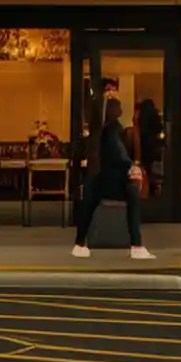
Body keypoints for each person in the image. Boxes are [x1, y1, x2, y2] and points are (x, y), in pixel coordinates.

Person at [72, 97, 155, 260]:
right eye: (118, 107)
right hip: (114, 179)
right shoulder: (113, 130)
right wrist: (132, 168)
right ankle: (136, 245)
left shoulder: (100, 131)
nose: (121, 111)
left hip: (101, 178)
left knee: (89, 202)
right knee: (132, 195)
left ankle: (80, 243)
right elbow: (119, 155)